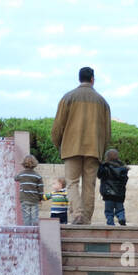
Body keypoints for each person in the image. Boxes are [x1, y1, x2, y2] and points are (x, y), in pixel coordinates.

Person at [51, 66, 111, 225]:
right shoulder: (102, 102)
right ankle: (86, 219)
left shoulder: (67, 98)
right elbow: (107, 132)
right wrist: (101, 150)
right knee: (89, 185)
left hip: (71, 148)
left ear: (79, 79)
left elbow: (57, 127)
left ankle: (77, 214)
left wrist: (60, 145)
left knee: (71, 183)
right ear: (92, 79)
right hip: (93, 150)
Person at [97, 149, 129, 226]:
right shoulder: (123, 169)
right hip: (120, 194)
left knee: (109, 211)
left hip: (108, 194)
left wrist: (100, 165)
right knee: (120, 209)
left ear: (106, 157)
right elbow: (125, 180)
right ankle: (121, 217)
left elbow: (99, 175)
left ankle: (110, 223)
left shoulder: (105, 167)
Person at [16, 155, 43, 226]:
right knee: (35, 217)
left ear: (24, 164)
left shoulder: (21, 174)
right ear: (35, 164)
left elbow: (15, 178)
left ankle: (27, 232)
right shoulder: (38, 176)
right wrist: (41, 198)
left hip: (24, 199)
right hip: (34, 200)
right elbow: (41, 189)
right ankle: (35, 232)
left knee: (26, 217)